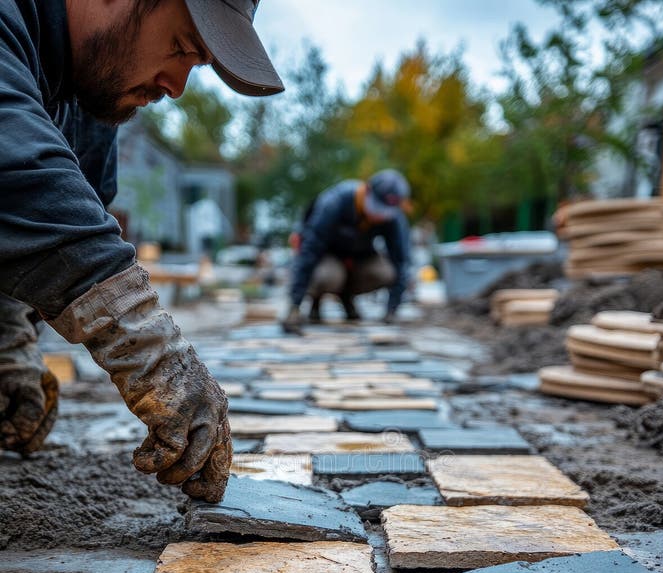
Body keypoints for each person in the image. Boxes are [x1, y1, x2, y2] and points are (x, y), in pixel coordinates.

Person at [0, 0, 283, 503]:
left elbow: (30, 233)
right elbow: (17, 174)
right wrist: (153, 354)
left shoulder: (80, 100)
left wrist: (6, 339)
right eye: (179, 47)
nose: (176, 87)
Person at [283, 170, 412, 333]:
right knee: (327, 276)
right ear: (366, 190)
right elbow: (309, 250)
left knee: (386, 273)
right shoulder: (334, 202)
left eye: (386, 212)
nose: (380, 216)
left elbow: (401, 259)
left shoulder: (393, 218)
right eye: (377, 208)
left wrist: (391, 310)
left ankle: (347, 298)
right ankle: (316, 301)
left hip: (359, 258)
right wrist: (294, 305)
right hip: (328, 257)